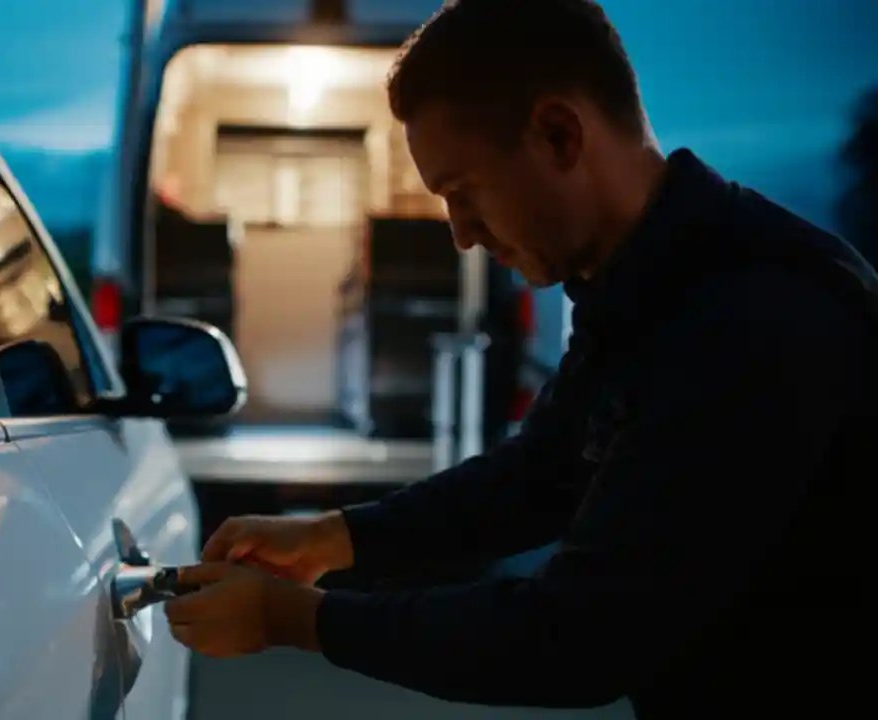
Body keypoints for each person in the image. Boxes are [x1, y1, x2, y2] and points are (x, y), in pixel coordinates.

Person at [163, 1, 878, 717]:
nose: (462, 236)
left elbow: (582, 635)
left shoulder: (753, 316)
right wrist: (337, 536)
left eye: (463, 193)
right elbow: (542, 472)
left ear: (559, 134)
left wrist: (297, 620)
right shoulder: (643, 283)